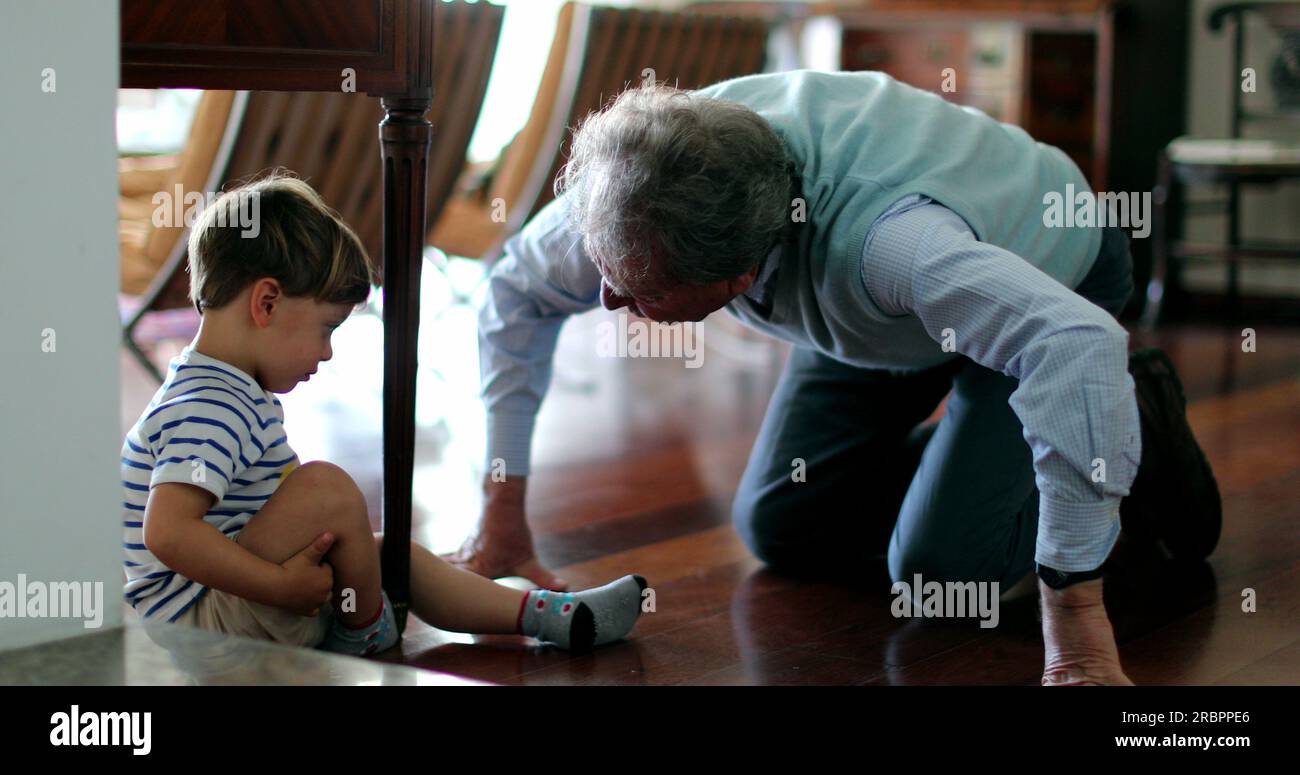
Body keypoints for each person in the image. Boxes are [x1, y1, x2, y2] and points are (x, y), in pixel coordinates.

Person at [449, 71, 1222, 685]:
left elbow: (1073, 340)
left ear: (738, 278)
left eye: (641, 288)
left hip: (1051, 278)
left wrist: (1077, 625)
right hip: (887, 312)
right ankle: (1007, 455)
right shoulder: (642, 186)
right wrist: (501, 513)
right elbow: (514, 293)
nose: (609, 297)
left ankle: (1125, 410)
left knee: (943, 572)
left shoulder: (884, 245)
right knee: (784, 524)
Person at [121, 174, 647, 656]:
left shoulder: (223, 388)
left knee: (394, 556)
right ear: (267, 303)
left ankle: (552, 616)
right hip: (207, 622)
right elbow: (167, 533)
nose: (326, 353)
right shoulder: (208, 405)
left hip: (240, 598)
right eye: (326, 328)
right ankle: (363, 636)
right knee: (325, 489)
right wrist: (278, 586)